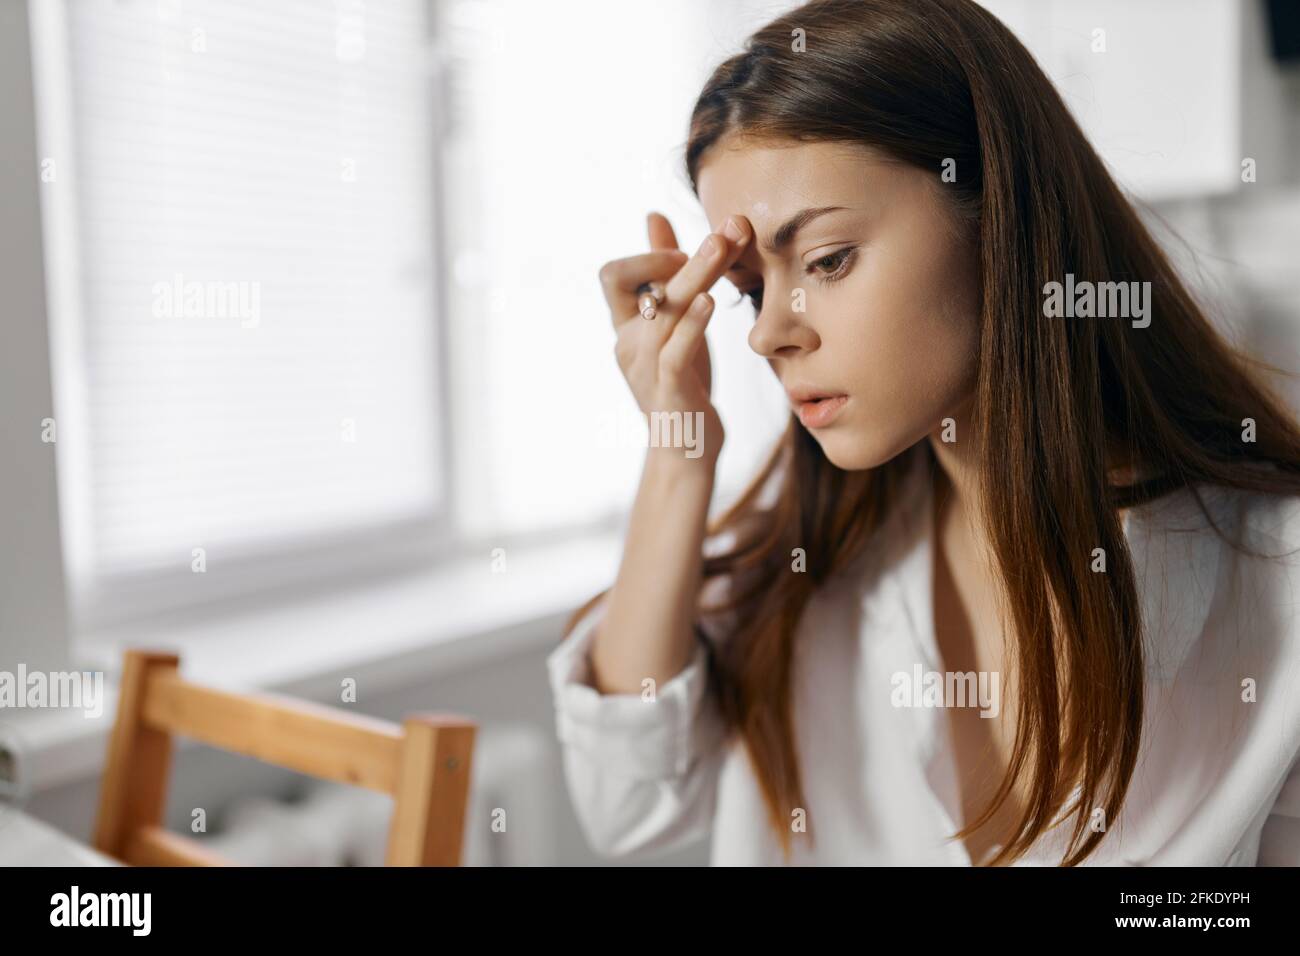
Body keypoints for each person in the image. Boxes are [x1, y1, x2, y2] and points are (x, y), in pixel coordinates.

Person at [547, 0, 1300, 866]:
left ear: (997, 215)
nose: (766, 333)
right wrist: (678, 459)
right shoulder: (810, 579)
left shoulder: (1277, 586)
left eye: (827, 261)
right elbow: (627, 811)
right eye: (752, 290)